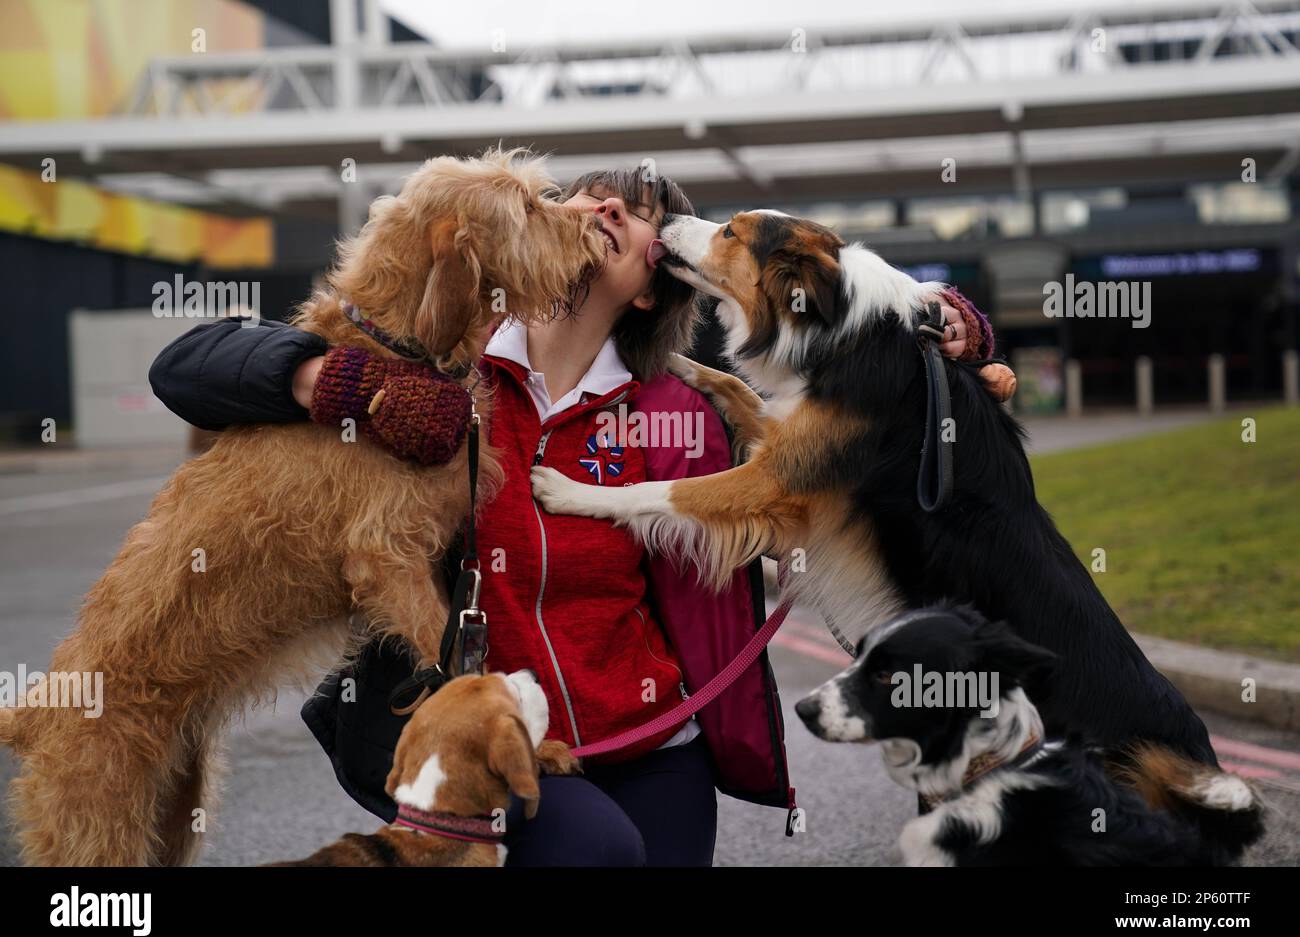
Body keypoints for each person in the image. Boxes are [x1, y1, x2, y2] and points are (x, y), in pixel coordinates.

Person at [149, 167, 993, 866]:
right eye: (590, 196)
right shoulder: (439, 364)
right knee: (598, 852)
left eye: (644, 216)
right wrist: (329, 384)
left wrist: (946, 339)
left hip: (655, 736)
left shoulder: (679, 408)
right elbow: (188, 364)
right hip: (483, 732)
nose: (610, 210)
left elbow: (837, 467)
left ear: (650, 287)